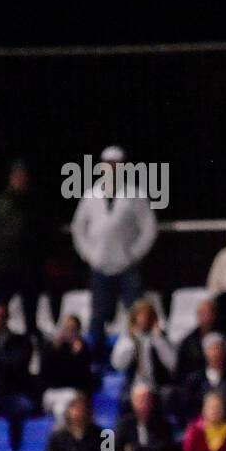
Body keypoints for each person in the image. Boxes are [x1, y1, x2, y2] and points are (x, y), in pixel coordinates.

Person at [71, 145, 158, 353]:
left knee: (136, 314)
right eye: (108, 165)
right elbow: (78, 228)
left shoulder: (135, 195)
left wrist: (133, 254)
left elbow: (149, 229)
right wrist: (89, 254)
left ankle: (139, 357)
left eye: (117, 165)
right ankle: (94, 360)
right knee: (98, 316)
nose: (112, 169)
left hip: (127, 267)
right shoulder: (90, 196)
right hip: (100, 267)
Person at [0, 159, 47, 342]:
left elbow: (45, 233)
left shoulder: (36, 203)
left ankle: (30, 342)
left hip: (29, 267)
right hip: (3, 266)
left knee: (30, 311)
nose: (20, 179)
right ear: (11, 178)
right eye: (17, 176)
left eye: (23, 176)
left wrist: (39, 257)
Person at [110, 298, 177, 406]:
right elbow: (118, 365)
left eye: (146, 316)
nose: (143, 320)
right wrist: (132, 341)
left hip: (157, 386)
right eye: (139, 316)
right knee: (124, 399)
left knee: (169, 395)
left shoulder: (160, 337)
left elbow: (172, 363)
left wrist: (159, 340)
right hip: (134, 386)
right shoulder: (127, 338)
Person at [180, 332, 226, 423]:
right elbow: (189, 407)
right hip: (201, 426)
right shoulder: (194, 380)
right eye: (212, 349)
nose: (216, 353)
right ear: (205, 352)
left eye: (219, 349)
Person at [39, 313, 96, 416]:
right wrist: (53, 350)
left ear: (78, 331)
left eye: (72, 329)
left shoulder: (83, 349)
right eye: (66, 328)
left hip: (72, 391)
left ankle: (61, 431)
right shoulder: (52, 347)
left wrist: (77, 355)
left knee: (61, 409)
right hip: (52, 392)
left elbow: (84, 377)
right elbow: (44, 372)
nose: (68, 332)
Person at [175, 297, 220, 382]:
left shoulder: (223, 336)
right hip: (196, 384)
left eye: (208, 312)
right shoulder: (188, 342)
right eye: (202, 313)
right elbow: (181, 372)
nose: (205, 316)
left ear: (214, 314)